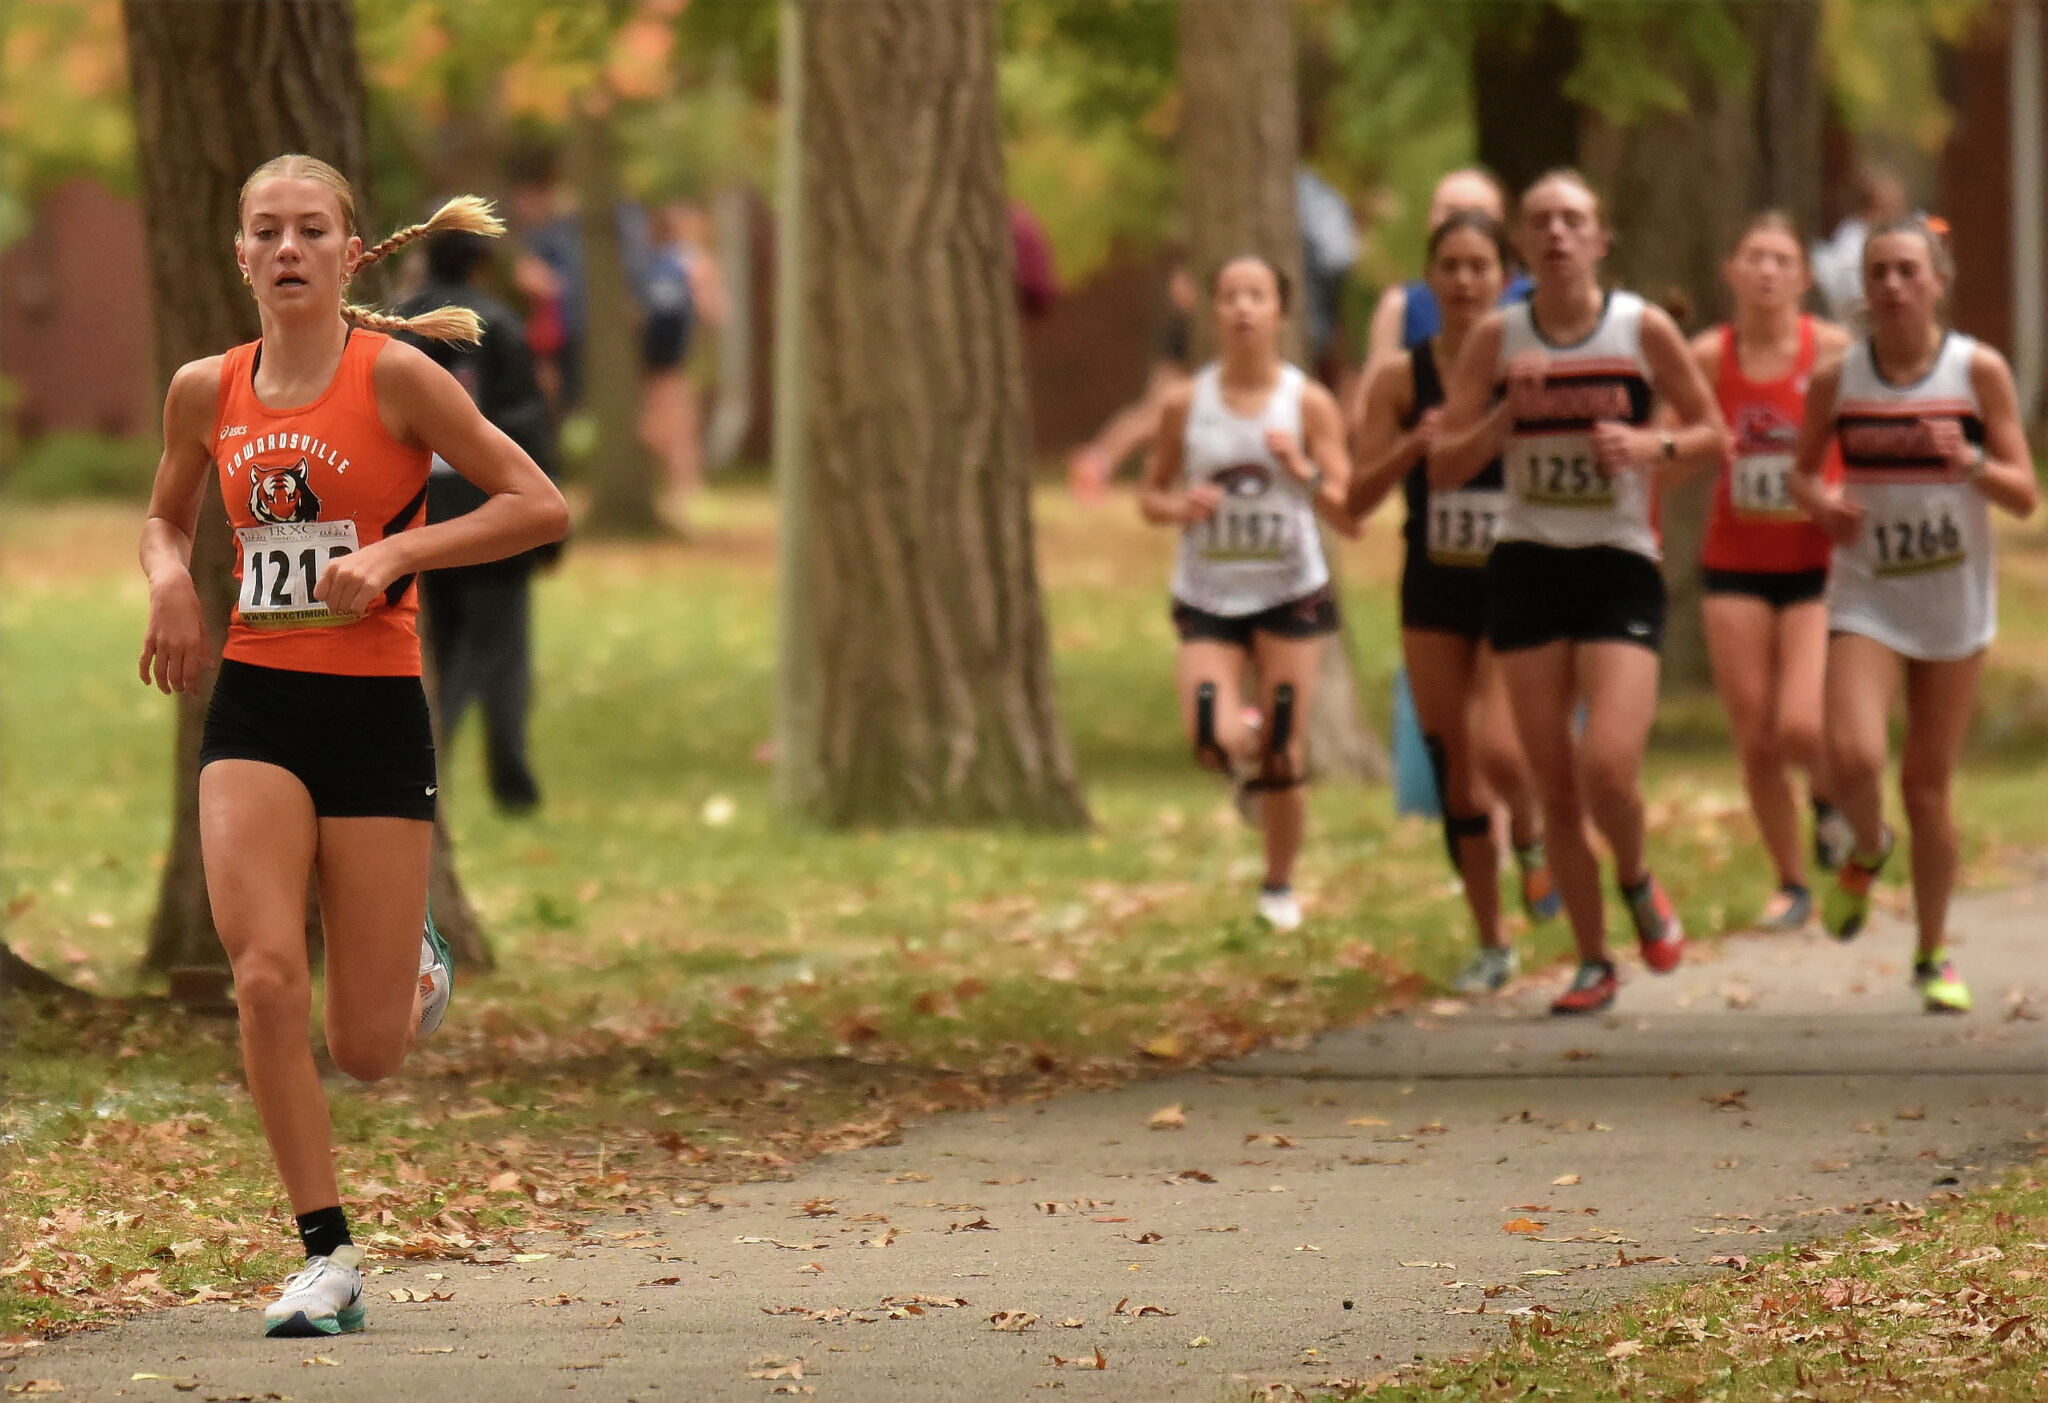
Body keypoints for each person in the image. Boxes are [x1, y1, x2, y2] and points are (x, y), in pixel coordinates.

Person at [136, 154, 568, 1337]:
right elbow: (167, 516)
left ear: (347, 251)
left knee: (367, 1048)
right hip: (258, 710)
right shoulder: (204, 388)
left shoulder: (400, 377)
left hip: (375, 713)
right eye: (265, 231)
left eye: (309, 230)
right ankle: (326, 1255)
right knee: (265, 972)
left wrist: (393, 556)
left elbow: (537, 502)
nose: (286, 249)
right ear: (239, 254)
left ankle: (413, 955)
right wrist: (171, 582)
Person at [1432, 169, 1727, 1015]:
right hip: (1528, 563)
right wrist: (1503, 421)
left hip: (1617, 561)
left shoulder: (1642, 327)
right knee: (1552, 780)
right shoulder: (1498, 336)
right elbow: (1446, 465)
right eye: (1541, 222)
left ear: (1600, 240)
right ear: (1521, 245)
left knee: (1608, 767)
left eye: (1574, 220)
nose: (1557, 234)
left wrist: (1650, 448)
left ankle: (1636, 876)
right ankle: (1594, 958)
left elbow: (1712, 432)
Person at [1789, 215, 2038, 1012]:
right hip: (1869, 592)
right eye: (1878, 273)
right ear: (1863, 289)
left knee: (1928, 786)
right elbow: (1799, 475)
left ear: (1937, 280)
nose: (1892, 286)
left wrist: (1966, 459)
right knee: (1854, 755)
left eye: (1907, 271)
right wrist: (1824, 505)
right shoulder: (1840, 378)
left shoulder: (1977, 371)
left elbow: (2025, 495)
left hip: (1954, 600)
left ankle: (1933, 953)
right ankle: (1868, 846)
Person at [1346, 211, 1560, 995]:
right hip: (1433, 583)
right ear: (1430, 279)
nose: (1465, 281)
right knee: (1455, 771)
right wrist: (1412, 445)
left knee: (1502, 751)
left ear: (1505, 278)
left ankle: (1532, 838)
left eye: (1480, 267)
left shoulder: (1529, 365)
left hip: (1515, 578)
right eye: (1452, 267)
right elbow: (1355, 497)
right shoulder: (1401, 379)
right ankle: (1491, 939)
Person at [1137, 255, 1355, 932]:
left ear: (1280, 313)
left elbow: (1349, 508)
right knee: (1210, 734)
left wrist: (1302, 469)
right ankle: (1243, 749)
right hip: (1209, 589)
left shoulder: (1308, 401)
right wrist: (1180, 508)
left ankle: (1279, 885)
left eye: (1257, 295)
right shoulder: (1184, 403)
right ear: (1214, 312)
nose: (1242, 309)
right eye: (1229, 295)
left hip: (1290, 589)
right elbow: (1149, 493)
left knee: (1286, 753)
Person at [1691, 213, 1857, 931]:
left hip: (1817, 559)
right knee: (1755, 735)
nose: (1766, 271)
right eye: (1753, 257)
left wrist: (1844, 493)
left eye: (1781, 259)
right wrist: (1676, 449)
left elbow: (1870, 431)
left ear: (1803, 277)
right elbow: (1676, 439)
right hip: (1734, 559)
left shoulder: (1834, 352)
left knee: (1799, 726)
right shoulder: (1708, 355)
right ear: (1731, 270)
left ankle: (1830, 802)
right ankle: (1792, 882)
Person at [397, 219, 563, 814]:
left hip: (418, 518)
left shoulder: (398, 327)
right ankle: (511, 781)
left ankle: (428, 769)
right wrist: (547, 529)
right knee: (500, 654)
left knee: (432, 652)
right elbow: (527, 422)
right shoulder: (502, 326)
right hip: (495, 515)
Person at [1362, 168, 1528, 384]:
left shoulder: (1532, 299)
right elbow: (1369, 402)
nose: (1463, 225)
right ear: (1429, 221)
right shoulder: (1399, 305)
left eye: (1478, 213)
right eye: (1451, 212)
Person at [1067, 262, 1198, 501]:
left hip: (1183, 353)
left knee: (1158, 421)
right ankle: (1097, 462)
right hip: (1180, 355)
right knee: (1154, 417)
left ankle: (1102, 462)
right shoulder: (1183, 324)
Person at [1810, 166, 1908, 326]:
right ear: (1878, 205)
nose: (1900, 211)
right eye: (1895, 204)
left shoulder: (1872, 238)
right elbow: (1854, 299)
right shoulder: (1853, 247)